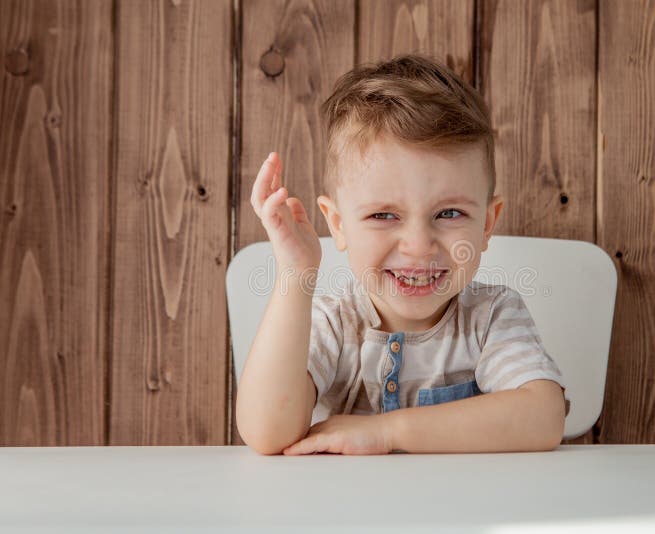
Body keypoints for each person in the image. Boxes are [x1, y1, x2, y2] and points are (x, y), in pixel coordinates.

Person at [236, 53, 568, 456]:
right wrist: (296, 271)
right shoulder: (332, 324)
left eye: (449, 213)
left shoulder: (491, 315)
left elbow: (544, 418)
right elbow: (268, 432)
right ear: (338, 225)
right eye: (383, 215)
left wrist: (387, 432)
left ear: (486, 224)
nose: (417, 245)